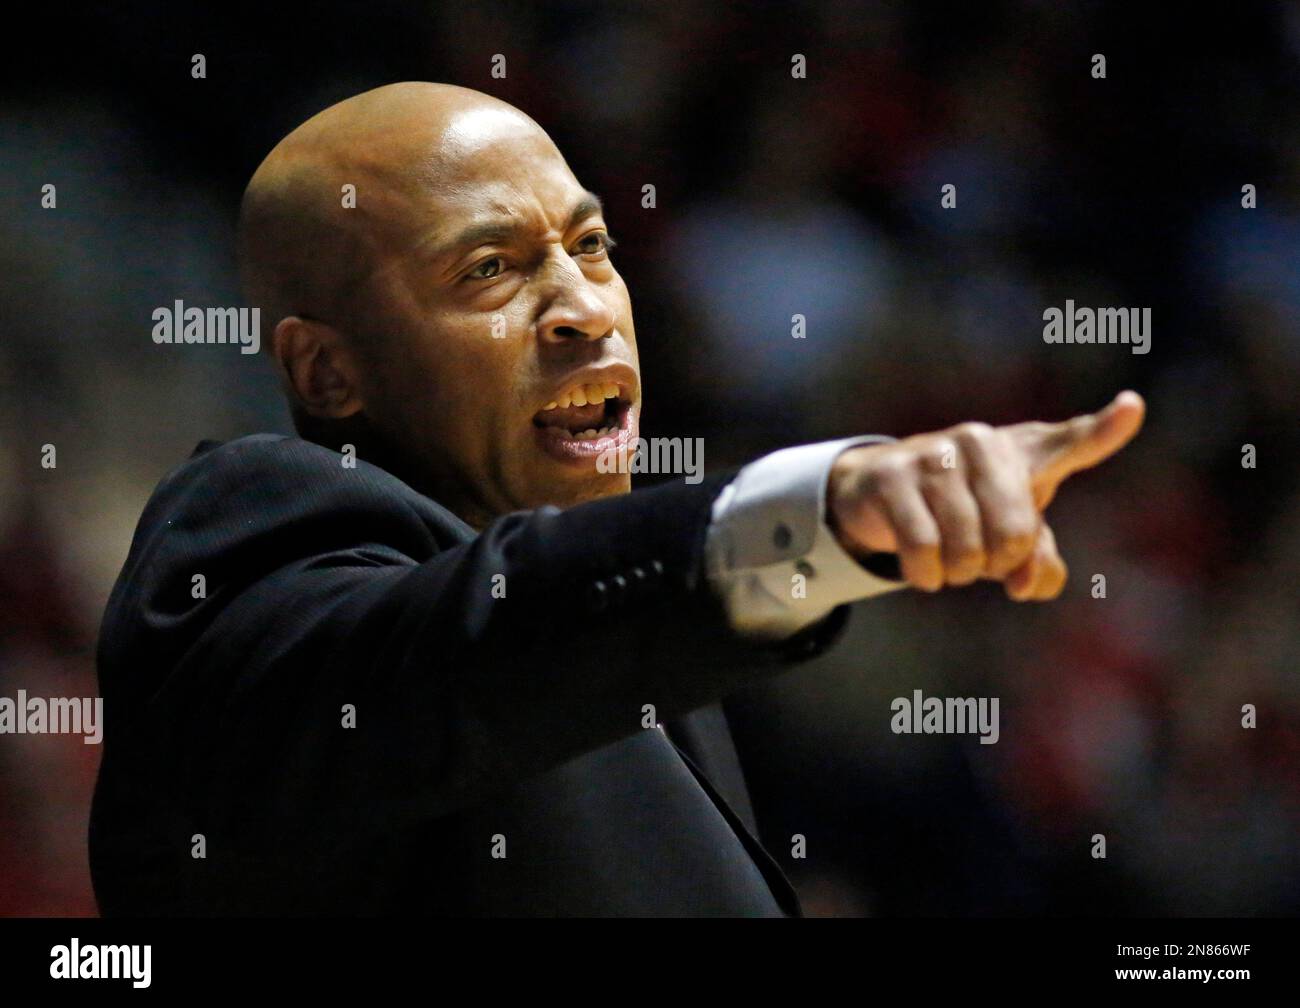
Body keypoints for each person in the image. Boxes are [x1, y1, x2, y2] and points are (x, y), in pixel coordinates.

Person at [89, 82, 1145, 916]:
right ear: (326, 374)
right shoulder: (258, 522)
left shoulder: (625, 638)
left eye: (591, 247)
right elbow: (456, 651)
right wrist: (814, 511)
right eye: (489, 269)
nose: (584, 309)